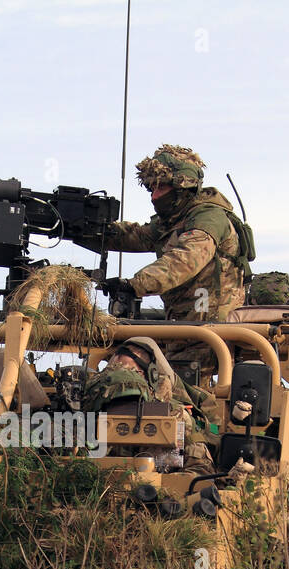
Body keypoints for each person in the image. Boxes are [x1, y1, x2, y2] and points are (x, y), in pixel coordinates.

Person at [83, 145, 249, 327]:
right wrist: (81, 228)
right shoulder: (173, 221)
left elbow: (185, 260)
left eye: (161, 187)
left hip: (214, 333)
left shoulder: (208, 218)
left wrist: (134, 285)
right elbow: (132, 236)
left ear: (182, 185)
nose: (154, 196)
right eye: (151, 188)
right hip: (183, 328)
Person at [81, 338, 214, 470]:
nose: (122, 379)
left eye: (131, 372)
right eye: (114, 370)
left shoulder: (174, 416)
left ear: (149, 376)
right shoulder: (91, 413)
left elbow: (200, 470)